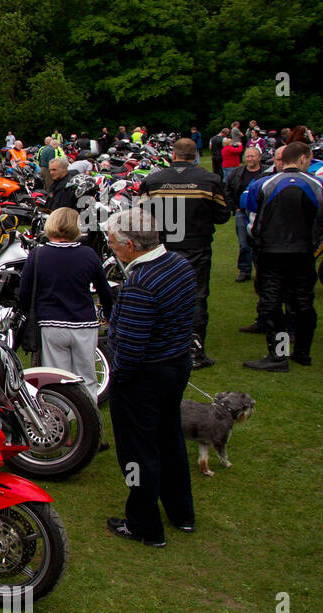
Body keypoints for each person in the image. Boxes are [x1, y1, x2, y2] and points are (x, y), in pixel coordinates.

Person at [102, 208, 197, 547]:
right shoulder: (180, 265)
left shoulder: (141, 283)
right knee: (170, 438)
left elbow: (129, 349)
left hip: (145, 376)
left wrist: (121, 380)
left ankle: (143, 524)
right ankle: (181, 513)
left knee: (137, 453)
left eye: (113, 243)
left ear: (130, 245)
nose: (111, 247)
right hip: (175, 365)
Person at [137, 138, 231, 369]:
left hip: (163, 245)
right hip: (196, 244)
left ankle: (162, 344)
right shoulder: (209, 180)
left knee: (160, 292)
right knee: (197, 294)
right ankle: (194, 350)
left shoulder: (154, 180)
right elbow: (222, 214)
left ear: (174, 154)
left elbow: (142, 213)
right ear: (195, 155)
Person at [241, 141, 323, 371]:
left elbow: (252, 222)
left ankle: (279, 354)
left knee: (272, 303)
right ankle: (302, 352)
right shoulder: (320, 186)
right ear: (302, 158)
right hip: (303, 253)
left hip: (272, 253)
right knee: (303, 303)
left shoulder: (263, 184)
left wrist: (260, 242)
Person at [18, 208, 114, 401]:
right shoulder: (88, 254)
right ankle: (90, 419)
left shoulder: (38, 255)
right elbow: (104, 290)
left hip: (51, 323)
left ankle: (61, 418)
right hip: (84, 324)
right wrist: (110, 315)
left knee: (56, 378)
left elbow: (24, 293)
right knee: (87, 377)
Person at [225, 146, 266, 283]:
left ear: (259, 158)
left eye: (252, 156)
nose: (249, 159)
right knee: (244, 244)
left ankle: (262, 270)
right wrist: (235, 207)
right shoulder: (237, 173)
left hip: (262, 214)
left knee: (262, 244)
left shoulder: (267, 172)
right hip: (242, 213)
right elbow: (228, 191)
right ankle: (244, 270)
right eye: (247, 156)